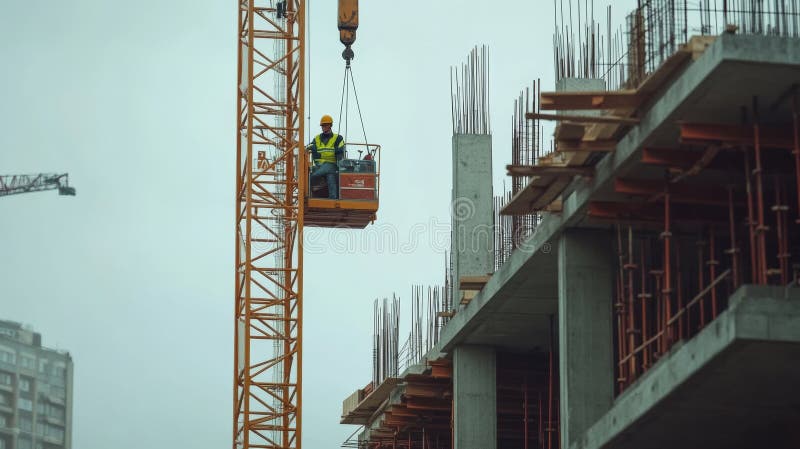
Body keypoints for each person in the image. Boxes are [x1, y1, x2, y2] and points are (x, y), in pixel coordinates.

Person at [307, 114, 345, 199]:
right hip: (319, 166)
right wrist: (311, 148)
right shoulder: (317, 138)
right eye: (322, 126)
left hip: (332, 164)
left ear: (330, 126)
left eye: (325, 125)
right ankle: (332, 197)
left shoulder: (338, 138)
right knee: (330, 175)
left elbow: (340, 151)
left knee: (314, 175)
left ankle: (329, 194)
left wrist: (320, 154)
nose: (324, 127)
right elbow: (309, 147)